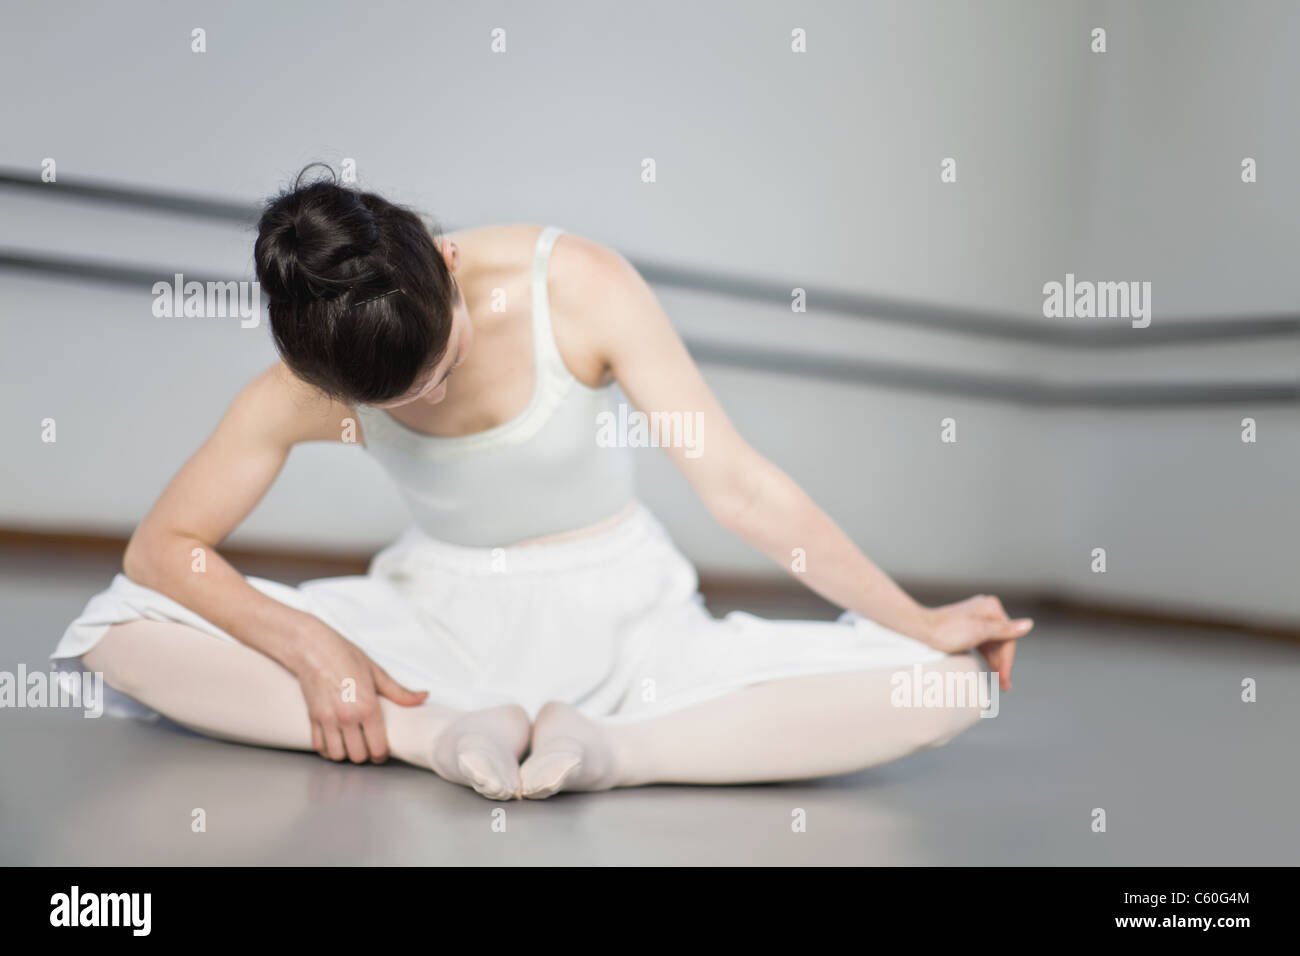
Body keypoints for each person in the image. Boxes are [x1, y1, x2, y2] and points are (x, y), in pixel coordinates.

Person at [54, 167, 1033, 800]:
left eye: (442, 365)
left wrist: (919, 618)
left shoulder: (575, 285)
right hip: (433, 625)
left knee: (945, 688)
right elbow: (162, 549)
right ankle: (435, 735)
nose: (433, 399)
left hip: (626, 621)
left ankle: (614, 750)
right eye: (400, 399)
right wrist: (311, 646)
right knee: (117, 633)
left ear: (446, 262)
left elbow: (738, 488)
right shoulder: (307, 382)